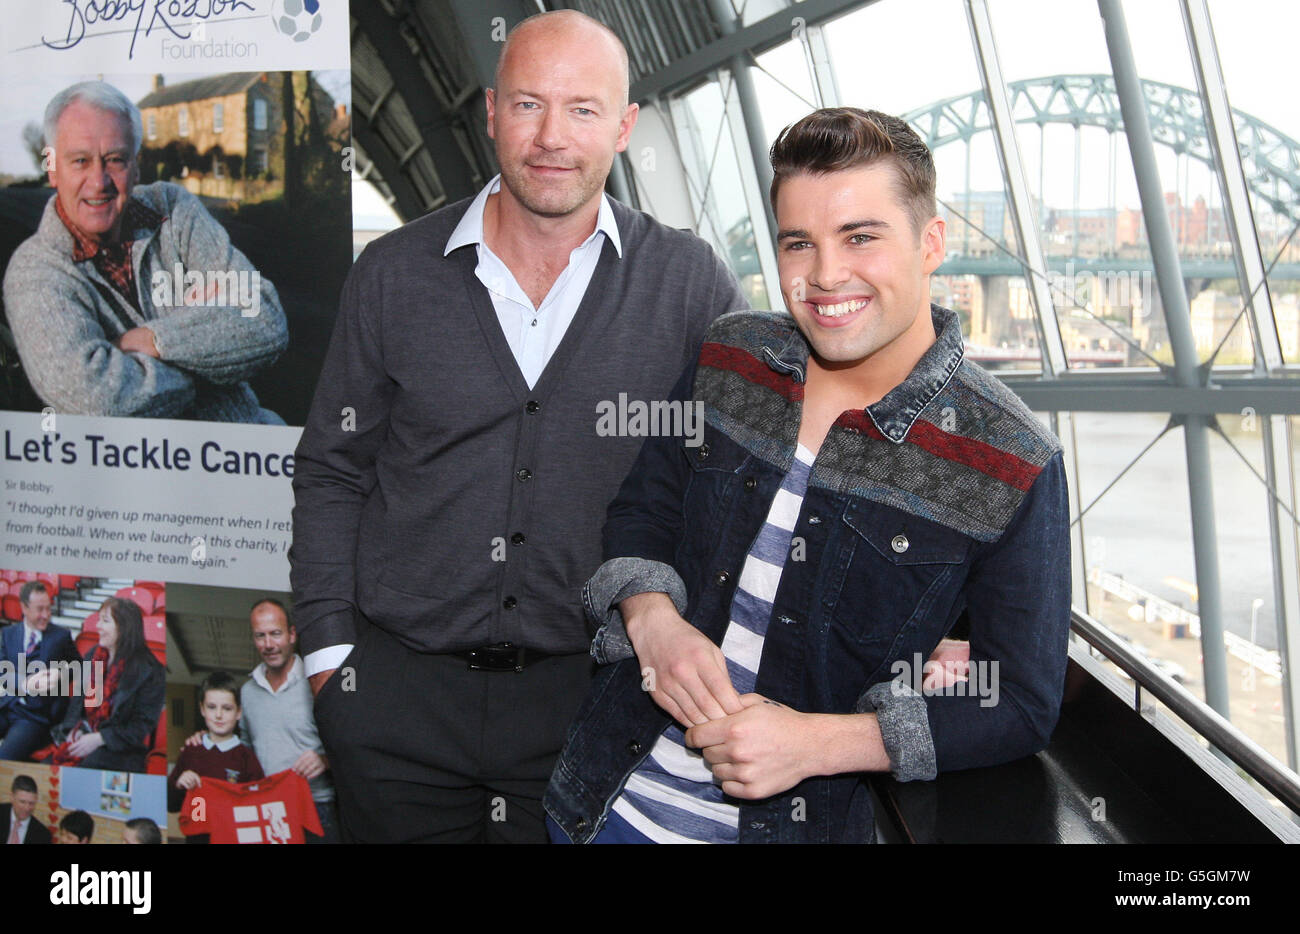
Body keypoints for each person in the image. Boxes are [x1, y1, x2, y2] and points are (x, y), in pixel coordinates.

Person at [544, 107, 1071, 843]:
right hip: (599, 803)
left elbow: (1019, 702)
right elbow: (643, 510)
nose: (825, 276)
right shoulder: (730, 358)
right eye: (799, 243)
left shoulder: (1012, 458)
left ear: (931, 244)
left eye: (860, 236)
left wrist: (820, 745)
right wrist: (652, 619)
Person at [290, 9, 747, 843]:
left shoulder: (688, 284)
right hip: (396, 703)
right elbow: (332, 470)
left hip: (596, 702)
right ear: (491, 113)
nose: (552, 137)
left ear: (624, 127)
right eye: (529, 105)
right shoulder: (393, 274)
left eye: (582, 109)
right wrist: (328, 660)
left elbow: (752, 473)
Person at [2, 80, 288, 423]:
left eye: (115, 160)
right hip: (140, 467)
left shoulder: (172, 208)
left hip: (248, 447)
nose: (99, 181)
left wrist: (153, 339)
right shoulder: (34, 271)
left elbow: (267, 320)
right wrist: (210, 352)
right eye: (80, 161)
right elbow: (99, 400)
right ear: (52, 169)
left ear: (136, 166)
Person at [182, 599, 338, 842]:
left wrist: (325, 760)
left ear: (292, 635)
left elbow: (350, 743)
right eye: (260, 636)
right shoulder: (247, 692)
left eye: (275, 634)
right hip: (269, 810)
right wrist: (206, 741)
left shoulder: (318, 681)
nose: (268, 644)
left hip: (318, 806)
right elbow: (241, 748)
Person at [50, 596, 166, 771]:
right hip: (87, 733)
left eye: (105, 621)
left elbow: (140, 726)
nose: (97, 626)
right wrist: (75, 731)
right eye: (98, 620)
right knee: (52, 763)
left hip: (122, 748)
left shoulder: (151, 671)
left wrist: (100, 738)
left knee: (86, 767)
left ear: (124, 628)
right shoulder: (93, 656)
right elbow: (77, 705)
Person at [169, 671, 264, 844]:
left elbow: (257, 810)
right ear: (202, 710)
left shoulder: (247, 758)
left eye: (227, 708)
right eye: (212, 707)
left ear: (238, 713)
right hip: (196, 839)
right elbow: (171, 804)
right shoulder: (191, 750)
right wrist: (178, 783)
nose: (219, 715)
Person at [0, 581, 80, 760]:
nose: (46, 615)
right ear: (24, 608)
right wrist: (25, 684)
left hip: (36, 716)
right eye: (39, 609)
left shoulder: (61, 636)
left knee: (4, 758)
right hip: (7, 705)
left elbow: (80, 668)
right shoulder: (8, 634)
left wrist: (61, 675)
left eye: (49, 609)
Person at [0, 774, 51, 844]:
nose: (27, 808)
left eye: (31, 803)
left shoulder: (43, 834)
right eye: (22, 802)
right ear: (12, 797)